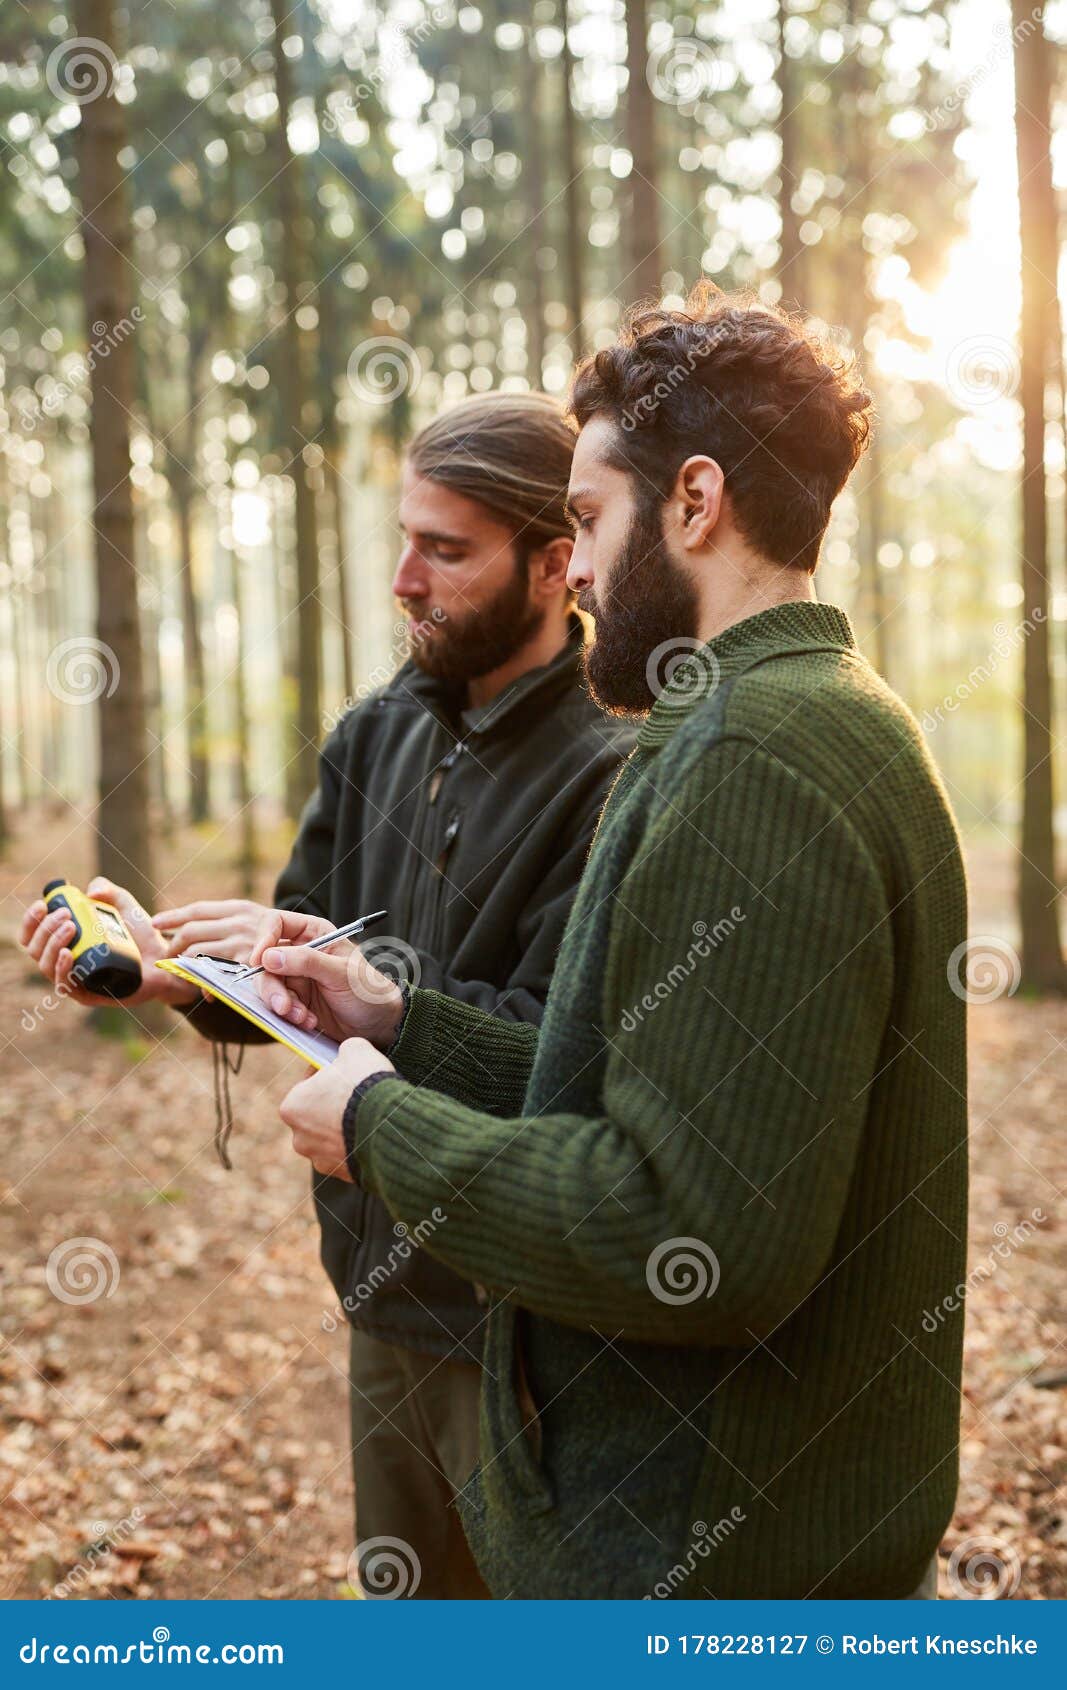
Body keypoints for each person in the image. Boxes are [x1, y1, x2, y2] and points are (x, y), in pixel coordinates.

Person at [255, 286, 969, 1600]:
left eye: (586, 519)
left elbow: (694, 1233)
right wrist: (399, 1021)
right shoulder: (784, 715)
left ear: (694, 501)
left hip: (710, 1565)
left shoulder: (756, 758)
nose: (574, 569)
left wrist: (379, 1126)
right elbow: (631, 1083)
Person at [19, 391, 634, 1600]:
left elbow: (557, 1051)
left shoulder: (614, 768)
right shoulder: (375, 732)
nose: (404, 580)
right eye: (403, 540)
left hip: (531, 1323)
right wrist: (173, 974)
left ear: (554, 561)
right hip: (377, 1281)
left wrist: (372, 989)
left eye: (445, 550)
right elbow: (292, 966)